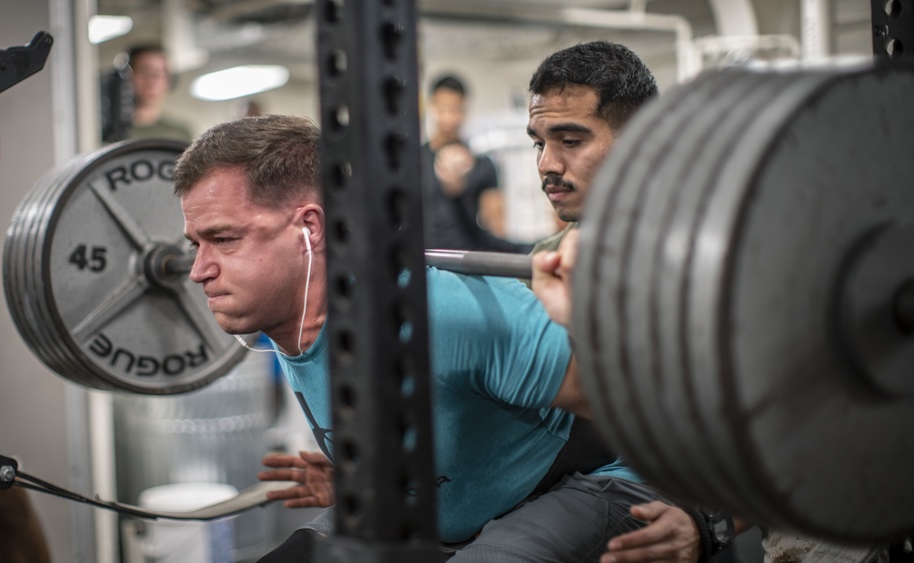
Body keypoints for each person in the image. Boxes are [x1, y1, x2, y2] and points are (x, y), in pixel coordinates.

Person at [176, 114, 667, 562]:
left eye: (224, 240)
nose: (199, 271)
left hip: (596, 481)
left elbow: (658, 407)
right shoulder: (290, 316)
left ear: (309, 228)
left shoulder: (444, 312)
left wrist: (708, 518)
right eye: (195, 244)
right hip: (451, 512)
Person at [526, 40, 748, 563]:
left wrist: (710, 524)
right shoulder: (548, 257)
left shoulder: (712, 252)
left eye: (570, 140)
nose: (546, 165)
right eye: (537, 142)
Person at [422, 75, 530, 253]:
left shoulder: (482, 164)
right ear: (433, 106)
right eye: (445, 109)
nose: (451, 118)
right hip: (426, 264)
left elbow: (495, 224)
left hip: (470, 264)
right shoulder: (415, 161)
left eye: (457, 110)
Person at [124, 45, 192, 143]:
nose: (151, 82)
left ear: (169, 81)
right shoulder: (109, 133)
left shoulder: (179, 134)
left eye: (158, 74)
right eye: (144, 72)